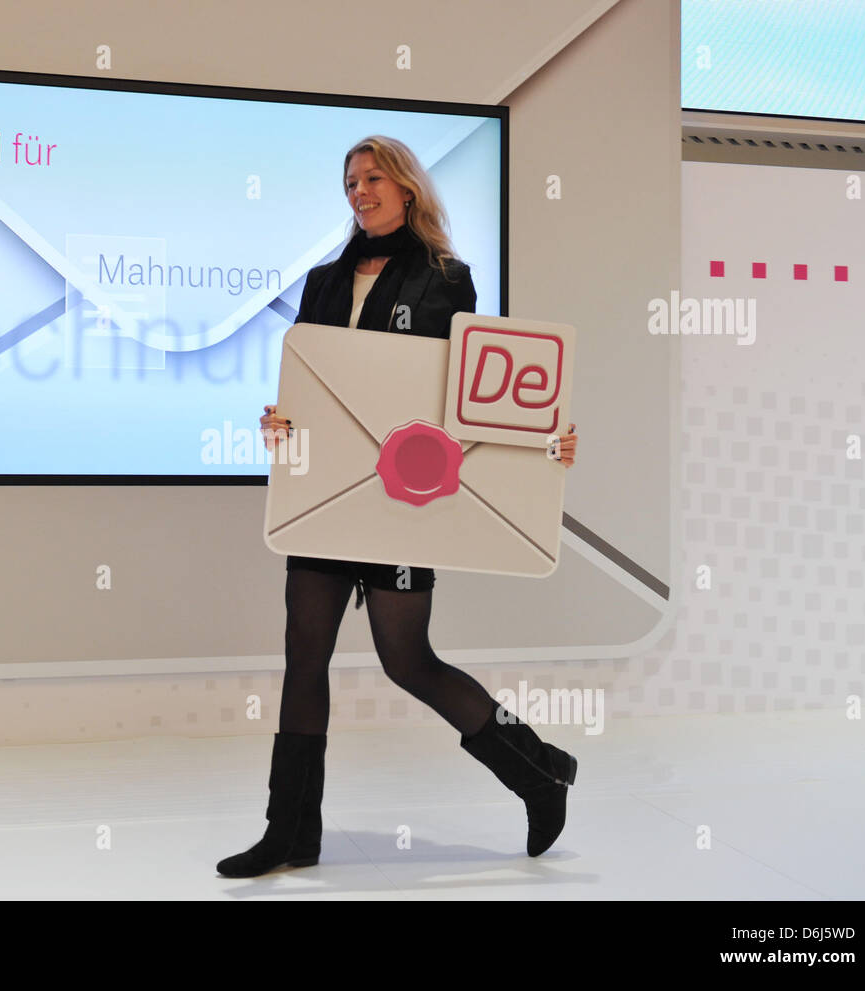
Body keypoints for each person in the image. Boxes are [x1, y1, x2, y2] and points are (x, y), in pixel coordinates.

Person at [216, 136, 580, 879]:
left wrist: (546, 438)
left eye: (372, 177)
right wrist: (281, 424)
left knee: (407, 660)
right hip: (325, 495)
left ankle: (536, 771)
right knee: (303, 658)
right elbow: (312, 389)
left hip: (403, 499)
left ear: (406, 187)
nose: (359, 190)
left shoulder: (448, 280)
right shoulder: (320, 283)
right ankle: (289, 832)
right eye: (349, 180)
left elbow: (474, 397)